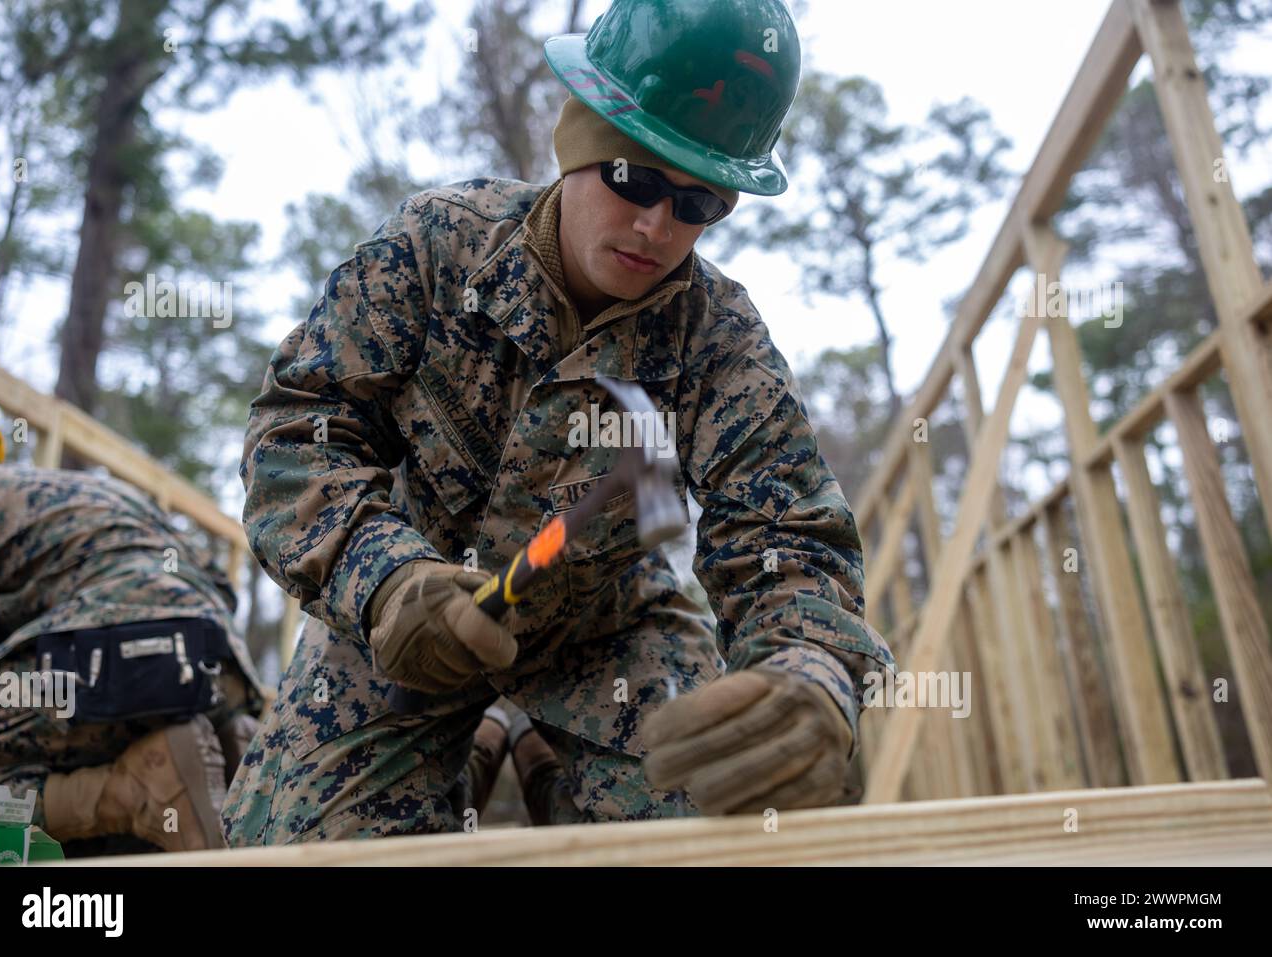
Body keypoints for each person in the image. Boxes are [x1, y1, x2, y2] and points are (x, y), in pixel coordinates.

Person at [223, 0, 894, 845]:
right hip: (410, 612)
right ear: (577, 139)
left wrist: (810, 671)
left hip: (607, 629)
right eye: (634, 180)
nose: (656, 225)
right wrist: (384, 579)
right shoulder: (437, 248)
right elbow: (300, 426)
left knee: (725, 835)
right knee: (292, 851)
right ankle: (468, 752)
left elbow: (789, 534)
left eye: (696, 203)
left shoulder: (719, 337)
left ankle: (546, 746)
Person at [0, 421, 264, 852]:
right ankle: (226, 747)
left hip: (111, 668)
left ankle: (132, 793)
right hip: (219, 669)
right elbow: (221, 586)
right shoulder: (83, 490)